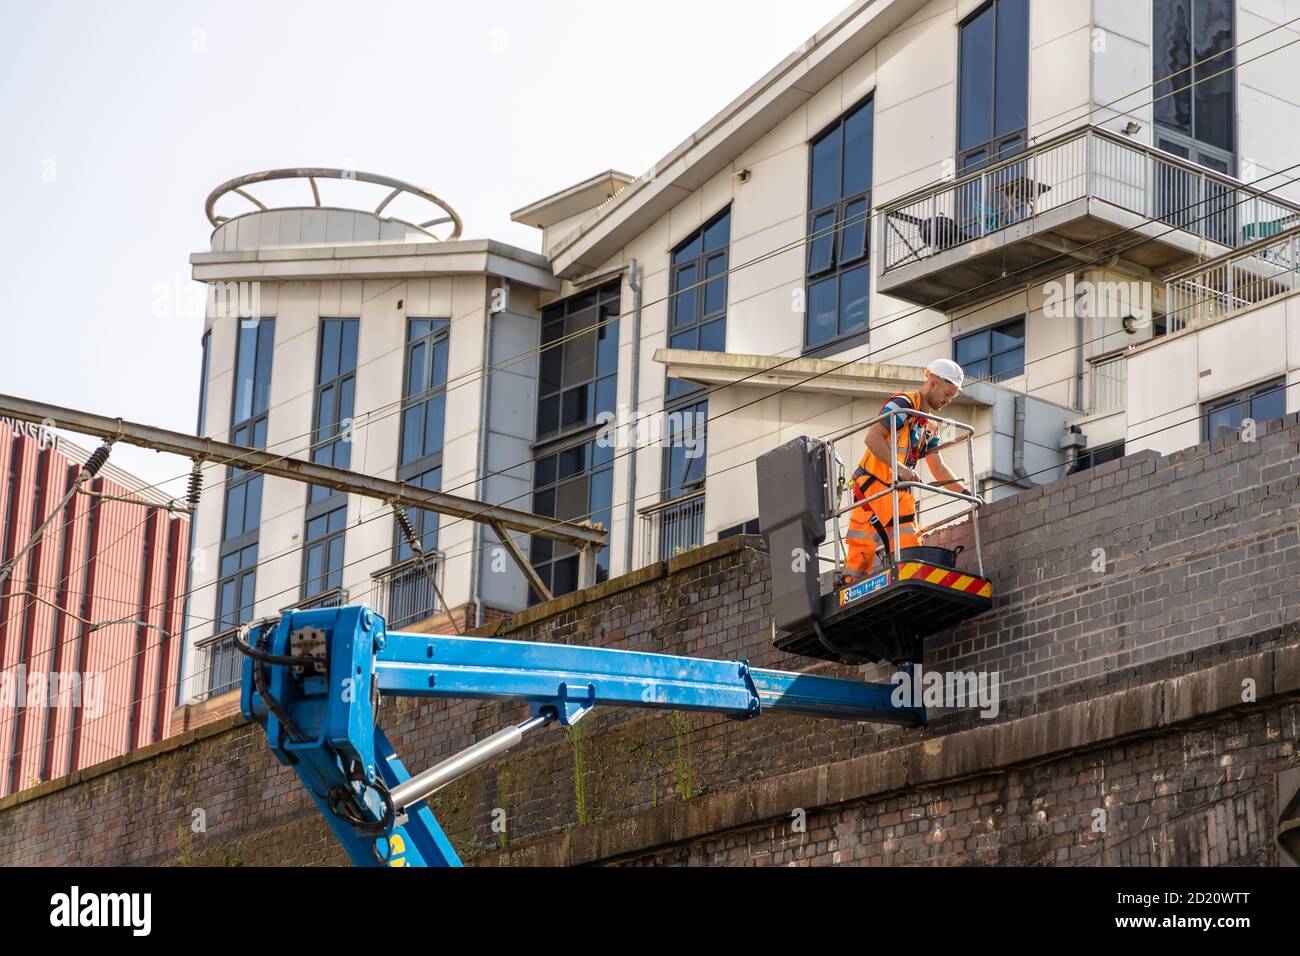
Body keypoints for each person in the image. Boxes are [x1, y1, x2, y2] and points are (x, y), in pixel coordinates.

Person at [844, 359, 971, 581]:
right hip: (872, 489)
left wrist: (967, 495)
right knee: (861, 554)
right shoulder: (902, 405)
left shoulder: (930, 426)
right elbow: (872, 437)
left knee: (910, 550)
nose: (949, 400)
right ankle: (848, 588)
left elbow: (938, 467)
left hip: (899, 494)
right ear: (933, 383)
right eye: (948, 393)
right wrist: (901, 469)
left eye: (952, 396)